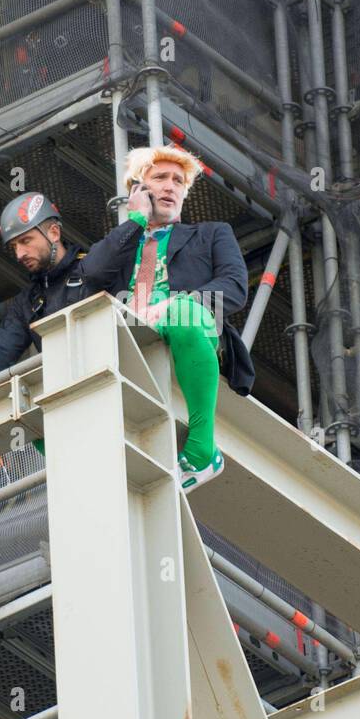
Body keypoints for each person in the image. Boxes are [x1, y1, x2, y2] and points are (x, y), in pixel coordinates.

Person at [97, 145, 252, 493]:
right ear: (138, 189)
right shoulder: (122, 245)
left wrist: (171, 306)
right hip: (131, 339)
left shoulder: (212, 233)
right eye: (160, 178)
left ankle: (202, 450)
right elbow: (91, 275)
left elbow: (234, 287)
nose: (170, 187)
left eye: (178, 181)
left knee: (182, 313)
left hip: (193, 329)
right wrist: (136, 222)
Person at [0, 191, 142, 392]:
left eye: (25, 240)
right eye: (14, 246)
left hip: (120, 382)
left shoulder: (90, 266)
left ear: (54, 233)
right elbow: (1, 350)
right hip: (67, 396)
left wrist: (139, 218)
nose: (19, 254)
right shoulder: (27, 302)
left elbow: (115, 250)